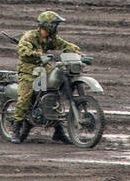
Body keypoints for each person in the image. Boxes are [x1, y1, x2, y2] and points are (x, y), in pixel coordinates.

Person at [12, 10, 81, 143]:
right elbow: (22, 50)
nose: (56, 28)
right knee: (25, 97)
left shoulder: (50, 38)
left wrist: (78, 52)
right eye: (55, 25)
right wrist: (38, 55)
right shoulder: (30, 36)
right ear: (47, 25)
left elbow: (65, 45)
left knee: (55, 93)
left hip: (44, 68)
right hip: (28, 70)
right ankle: (16, 127)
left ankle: (58, 130)